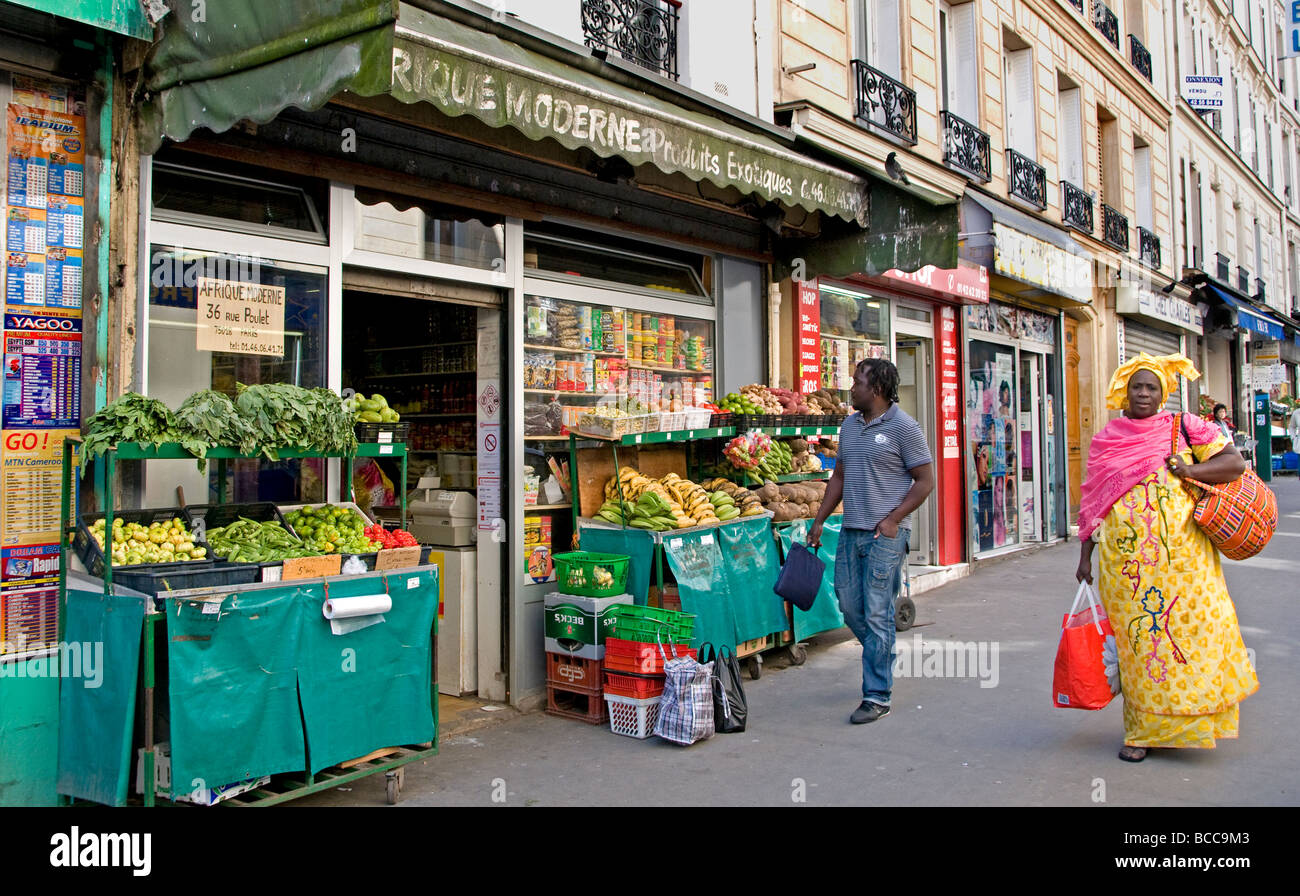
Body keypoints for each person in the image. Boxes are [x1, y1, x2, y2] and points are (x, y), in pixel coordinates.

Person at [1075, 353, 1258, 762]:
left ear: (1163, 395)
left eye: (1151, 387)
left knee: (1192, 641)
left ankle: (1194, 723)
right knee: (1140, 647)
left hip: (1187, 566)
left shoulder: (1185, 427)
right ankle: (1140, 734)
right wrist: (1085, 553)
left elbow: (1234, 464)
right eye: (1137, 386)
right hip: (1127, 570)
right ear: (1125, 390)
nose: (1143, 393)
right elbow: (1093, 502)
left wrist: (1189, 472)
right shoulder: (1108, 438)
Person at [808, 359, 935, 724]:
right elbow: (840, 476)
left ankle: (877, 695)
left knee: (878, 611)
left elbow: (925, 480)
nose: (851, 388)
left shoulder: (904, 428)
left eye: (857, 382)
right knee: (848, 606)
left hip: (886, 536)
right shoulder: (849, 426)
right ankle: (882, 655)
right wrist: (819, 520)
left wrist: (894, 519)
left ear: (875, 389)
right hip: (851, 530)